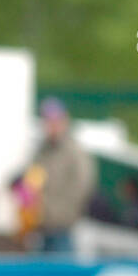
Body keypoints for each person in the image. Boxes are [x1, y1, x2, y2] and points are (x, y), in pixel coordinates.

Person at [18, 99, 98, 254]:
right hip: (40, 228)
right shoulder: (41, 151)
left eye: (55, 120)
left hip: (63, 228)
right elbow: (31, 184)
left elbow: (83, 187)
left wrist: (61, 214)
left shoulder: (75, 152)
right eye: (47, 120)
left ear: (65, 121)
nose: (51, 126)